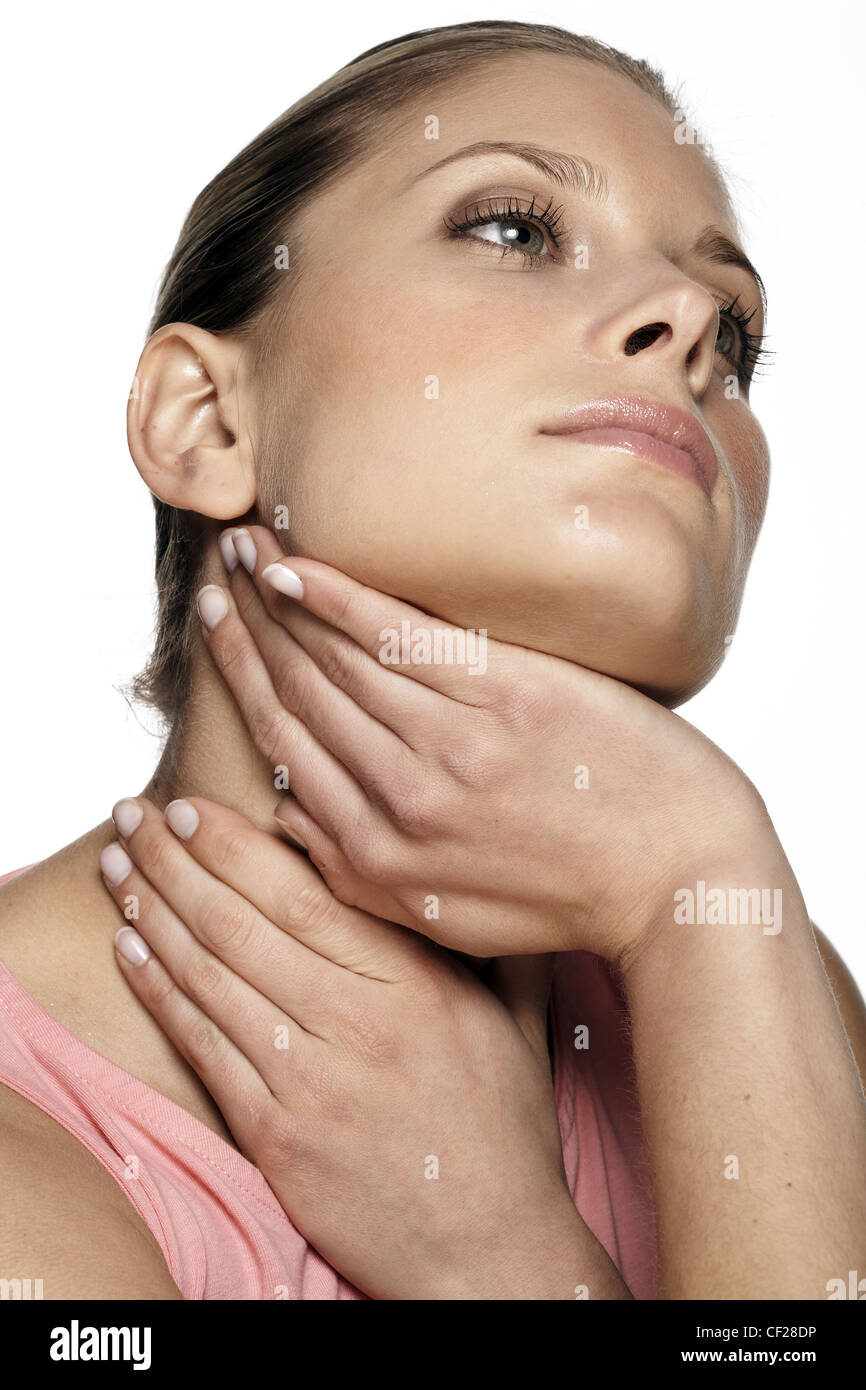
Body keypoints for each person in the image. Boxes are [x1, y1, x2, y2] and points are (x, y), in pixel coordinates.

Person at [1, 20, 864, 1301]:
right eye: (513, 228)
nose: (689, 323)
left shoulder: (743, 962)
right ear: (203, 419)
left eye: (735, 335)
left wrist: (699, 868)